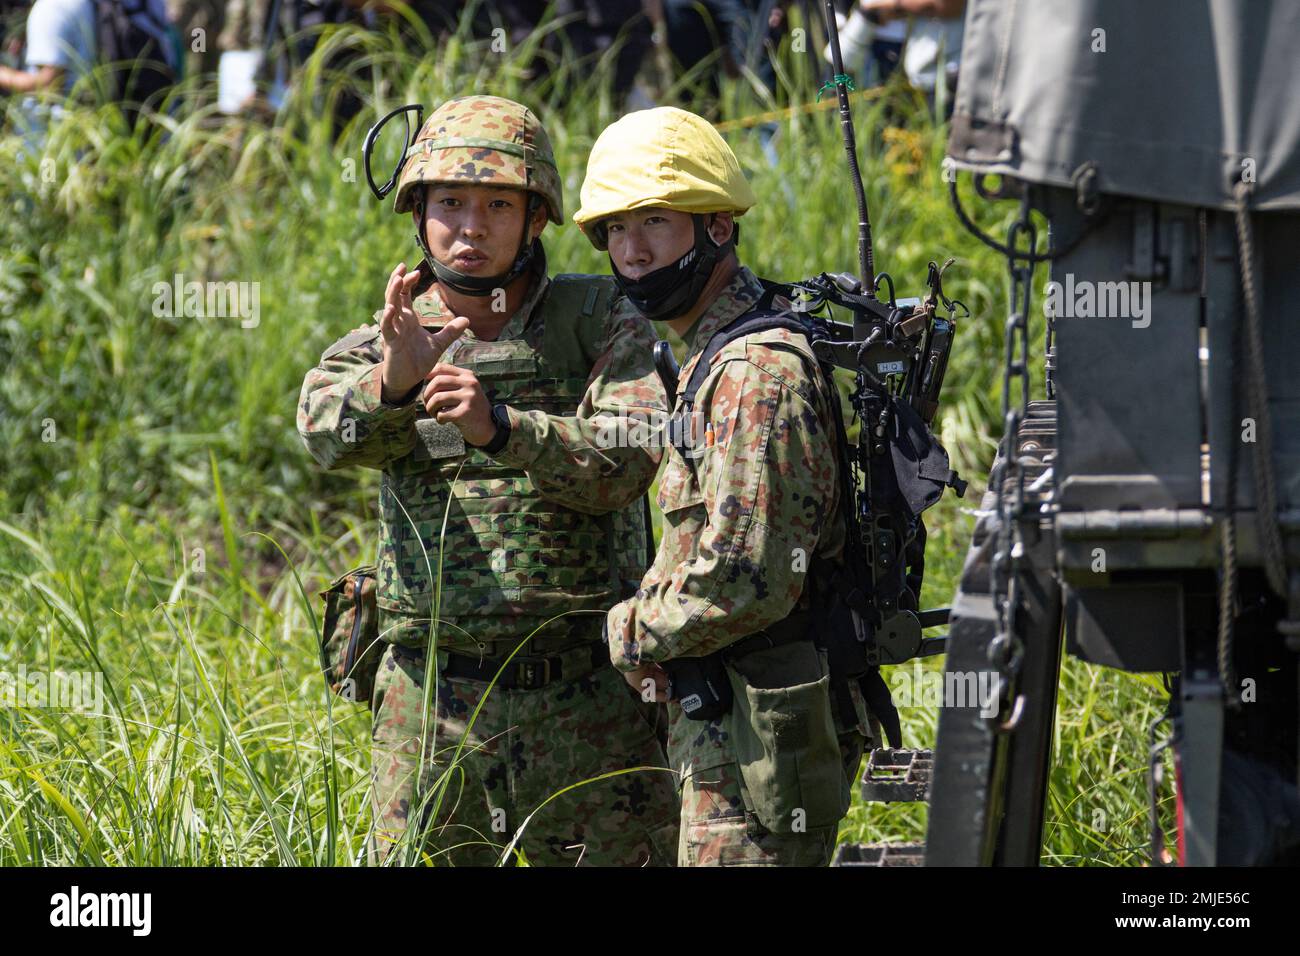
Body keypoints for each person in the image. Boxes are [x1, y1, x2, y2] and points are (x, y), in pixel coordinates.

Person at [297, 95, 679, 866]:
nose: (471, 227)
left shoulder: (600, 317)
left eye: (498, 204)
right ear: (419, 214)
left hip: (590, 693)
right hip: (433, 702)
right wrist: (394, 386)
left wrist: (502, 429)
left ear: (536, 217)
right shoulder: (390, 335)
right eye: (450, 203)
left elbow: (631, 454)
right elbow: (323, 435)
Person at [574, 106, 874, 866]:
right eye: (614, 230)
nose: (631, 252)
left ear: (717, 228)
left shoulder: (750, 373)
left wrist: (631, 630)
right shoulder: (713, 358)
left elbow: (748, 577)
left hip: (758, 729)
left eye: (654, 224)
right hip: (732, 719)